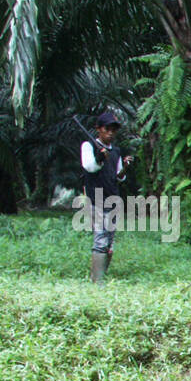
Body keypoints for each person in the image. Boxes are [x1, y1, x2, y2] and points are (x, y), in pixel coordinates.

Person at [80, 109, 133, 284]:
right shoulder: (88, 146)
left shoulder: (116, 151)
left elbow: (119, 176)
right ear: (99, 129)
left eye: (113, 130)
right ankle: (97, 282)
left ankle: (101, 275)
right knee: (101, 238)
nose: (110, 133)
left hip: (113, 199)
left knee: (109, 241)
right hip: (96, 199)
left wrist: (125, 167)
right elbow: (90, 167)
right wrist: (100, 157)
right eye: (107, 129)